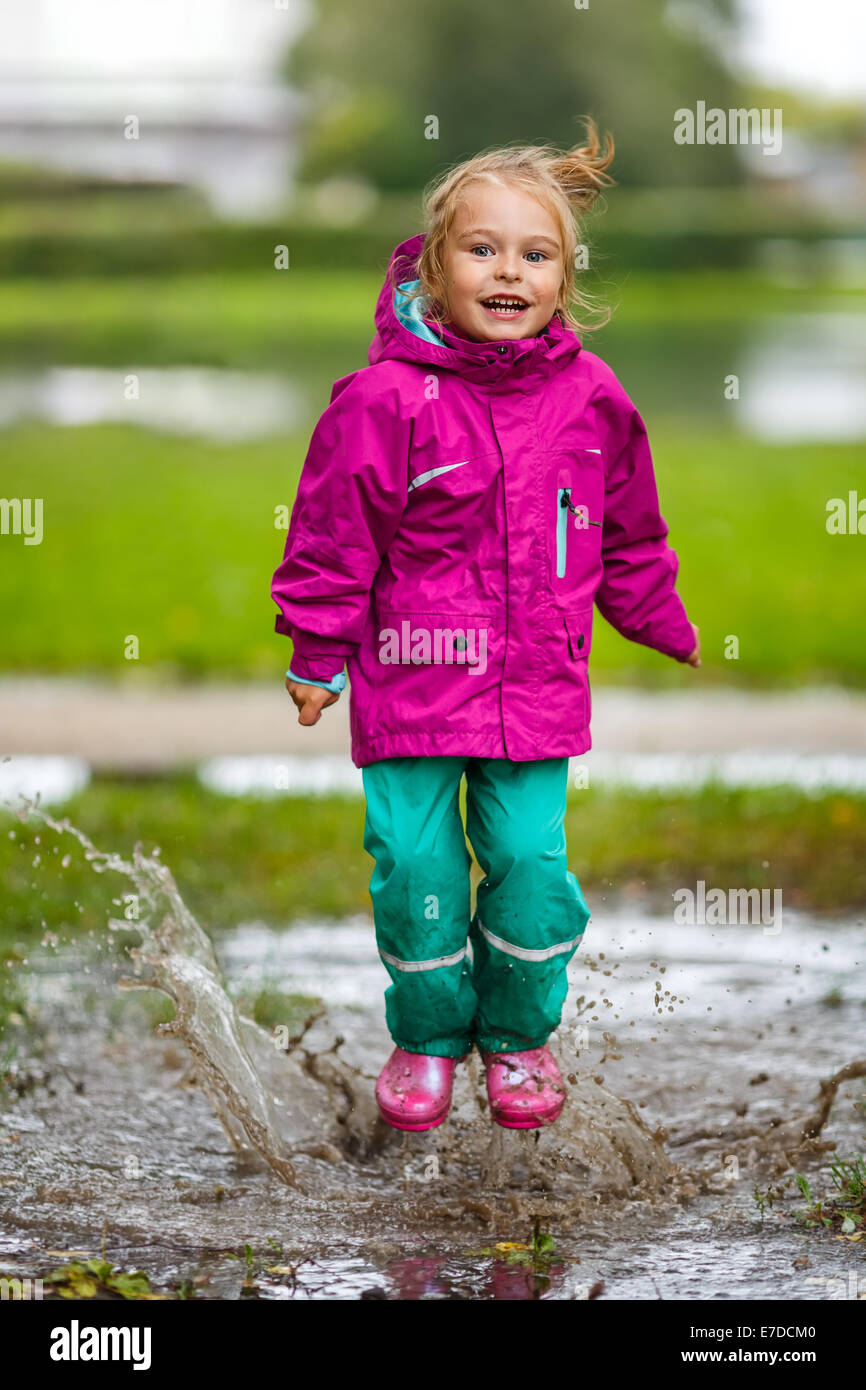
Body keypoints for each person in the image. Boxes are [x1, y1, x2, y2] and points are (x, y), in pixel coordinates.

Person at [271, 120, 700, 1134]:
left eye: (533, 253)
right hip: (410, 683)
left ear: (560, 276)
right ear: (434, 262)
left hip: (533, 687)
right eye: (481, 248)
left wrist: (654, 613)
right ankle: (425, 1034)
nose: (506, 269)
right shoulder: (382, 400)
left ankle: (515, 1037)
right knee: (415, 869)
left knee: (528, 865)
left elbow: (627, 523)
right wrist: (315, 654)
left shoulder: (589, 398)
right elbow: (333, 535)